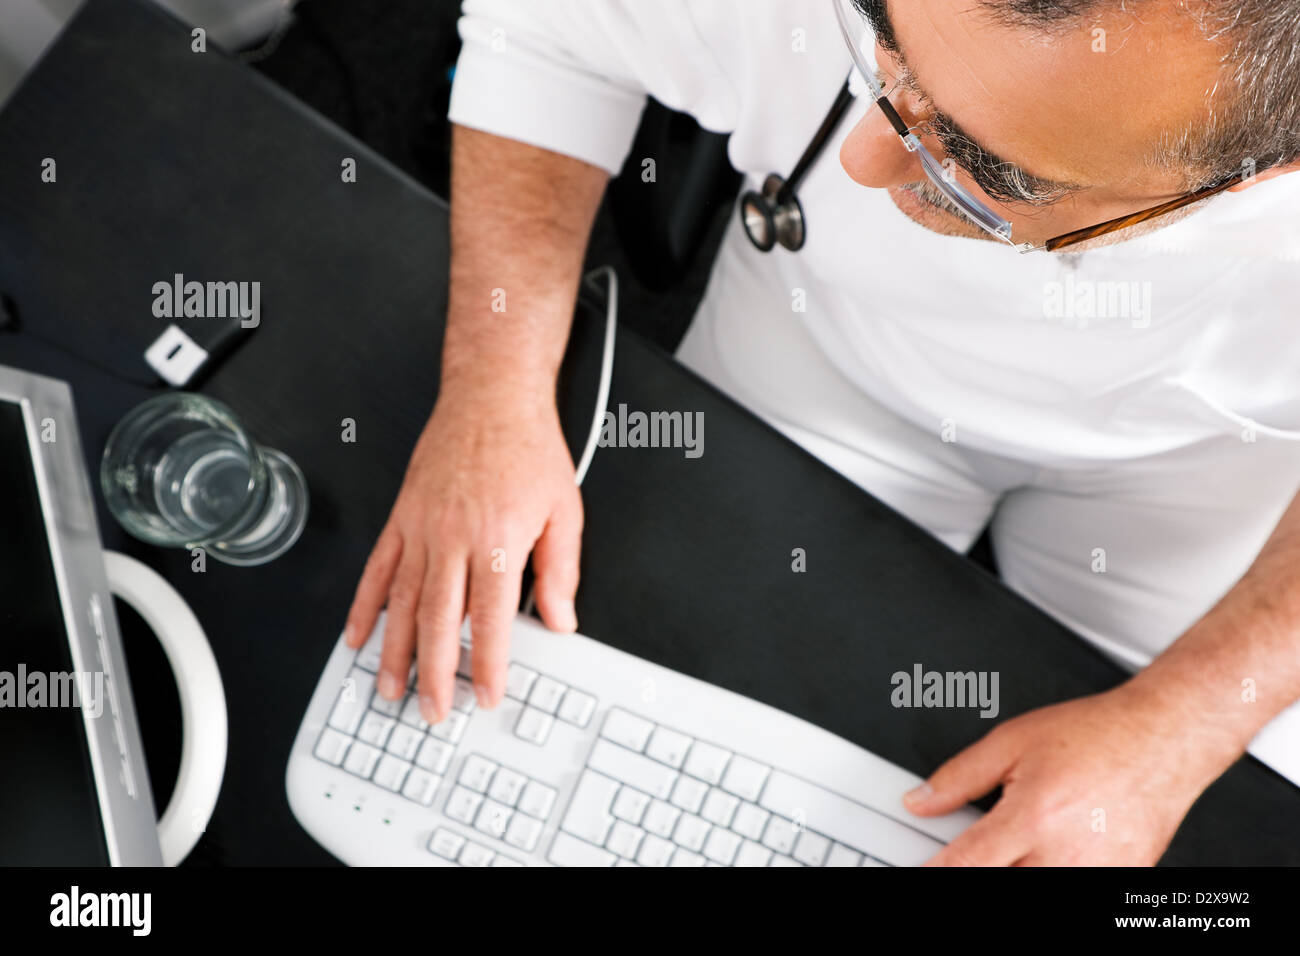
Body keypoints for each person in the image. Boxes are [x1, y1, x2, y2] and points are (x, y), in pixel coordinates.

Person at [344, 0, 1300, 864]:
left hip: (1203, 471)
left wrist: (1185, 723)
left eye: (987, 173)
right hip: (827, 341)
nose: (860, 162)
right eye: (878, 36)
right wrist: (494, 391)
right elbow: (546, 30)